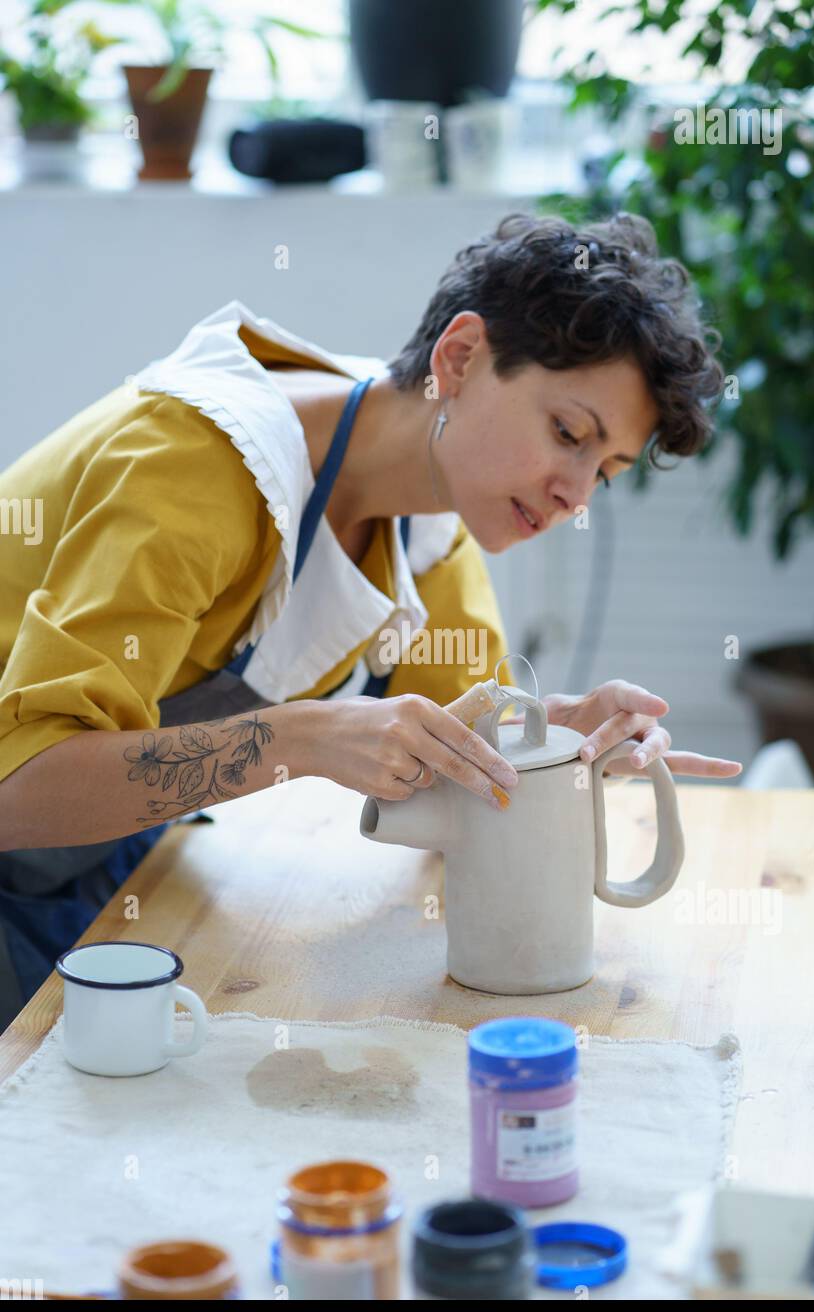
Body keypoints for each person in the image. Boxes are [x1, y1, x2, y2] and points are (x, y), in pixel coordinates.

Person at [0, 211, 741, 1021]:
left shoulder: (428, 529)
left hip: (108, 856)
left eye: (607, 468)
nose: (575, 493)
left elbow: (460, 778)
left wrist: (550, 750)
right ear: (459, 359)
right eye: (567, 432)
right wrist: (306, 739)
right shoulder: (195, 468)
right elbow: (20, 787)